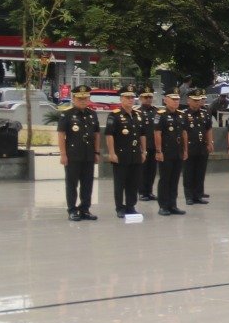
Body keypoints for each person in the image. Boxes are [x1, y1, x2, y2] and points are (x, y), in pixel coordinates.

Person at [57, 85, 100, 221]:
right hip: (73, 154)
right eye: (80, 98)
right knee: (72, 183)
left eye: (86, 98)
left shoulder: (92, 114)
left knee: (88, 183)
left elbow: (97, 134)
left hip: (88, 155)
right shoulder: (67, 114)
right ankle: (72, 209)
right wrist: (63, 154)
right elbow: (61, 135)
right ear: (74, 98)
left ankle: (85, 209)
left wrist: (97, 152)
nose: (83, 100)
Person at [104, 89, 145, 217]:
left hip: (135, 154)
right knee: (120, 182)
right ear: (121, 99)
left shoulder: (138, 115)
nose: (130, 100)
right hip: (121, 154)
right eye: (127, 97)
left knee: (134, 182)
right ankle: (120, 207)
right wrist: (111, 153)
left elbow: (142, 135)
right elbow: (109, 135)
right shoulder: (114, 115)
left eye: (132, 97)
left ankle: (131, 206)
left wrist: (144, 151)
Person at [153, 90, 188, 216]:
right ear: (166, 100)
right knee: (165, 179)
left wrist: (185, 150)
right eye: (173, 99)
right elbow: (157, 134)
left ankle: (173, 205)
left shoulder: (181, 115)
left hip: (177, 151)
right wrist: (158, 151)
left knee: (174, 179)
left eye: (177, 99)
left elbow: (184, 133)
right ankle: (163, 206)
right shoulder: (160, 115)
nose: (176, 101)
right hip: (166, 152)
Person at [183, 89, 213, 205]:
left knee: (200, 172)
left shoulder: (204, 113)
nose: (196, 103)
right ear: (188, 101)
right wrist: (184, 149)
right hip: (190, 147)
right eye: (194, 100)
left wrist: (210, 142)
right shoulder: (184, 114)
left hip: (202, 147)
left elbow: (208, 128)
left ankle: (198, 195)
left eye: (198, 100)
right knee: (189, 173)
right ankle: (189, 196)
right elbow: (183, 131)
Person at [136, 88, 158, 202]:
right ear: (140, 98)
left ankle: (149, 191)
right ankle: (141, 192)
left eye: (150, 97)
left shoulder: (156, 111)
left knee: (152, 170)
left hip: (154, 145)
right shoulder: (137, 112)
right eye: (146, 97)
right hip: (142, 146)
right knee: (142, 170)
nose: (148, 99)